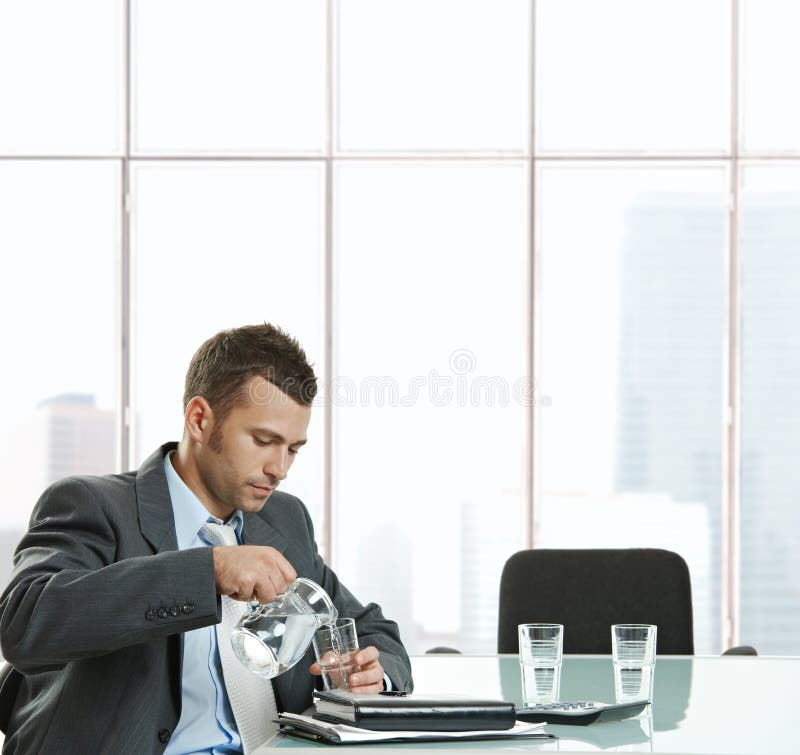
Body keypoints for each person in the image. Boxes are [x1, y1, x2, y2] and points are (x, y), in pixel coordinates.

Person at [0, 324, 412, 754]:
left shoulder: (285, 520)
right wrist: (207, 570)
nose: (280, 468)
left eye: (293, 448)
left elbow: (370, 628)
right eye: (264, 440)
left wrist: (375, 671)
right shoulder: (95, 505)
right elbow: (24, 624)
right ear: (200, 420)